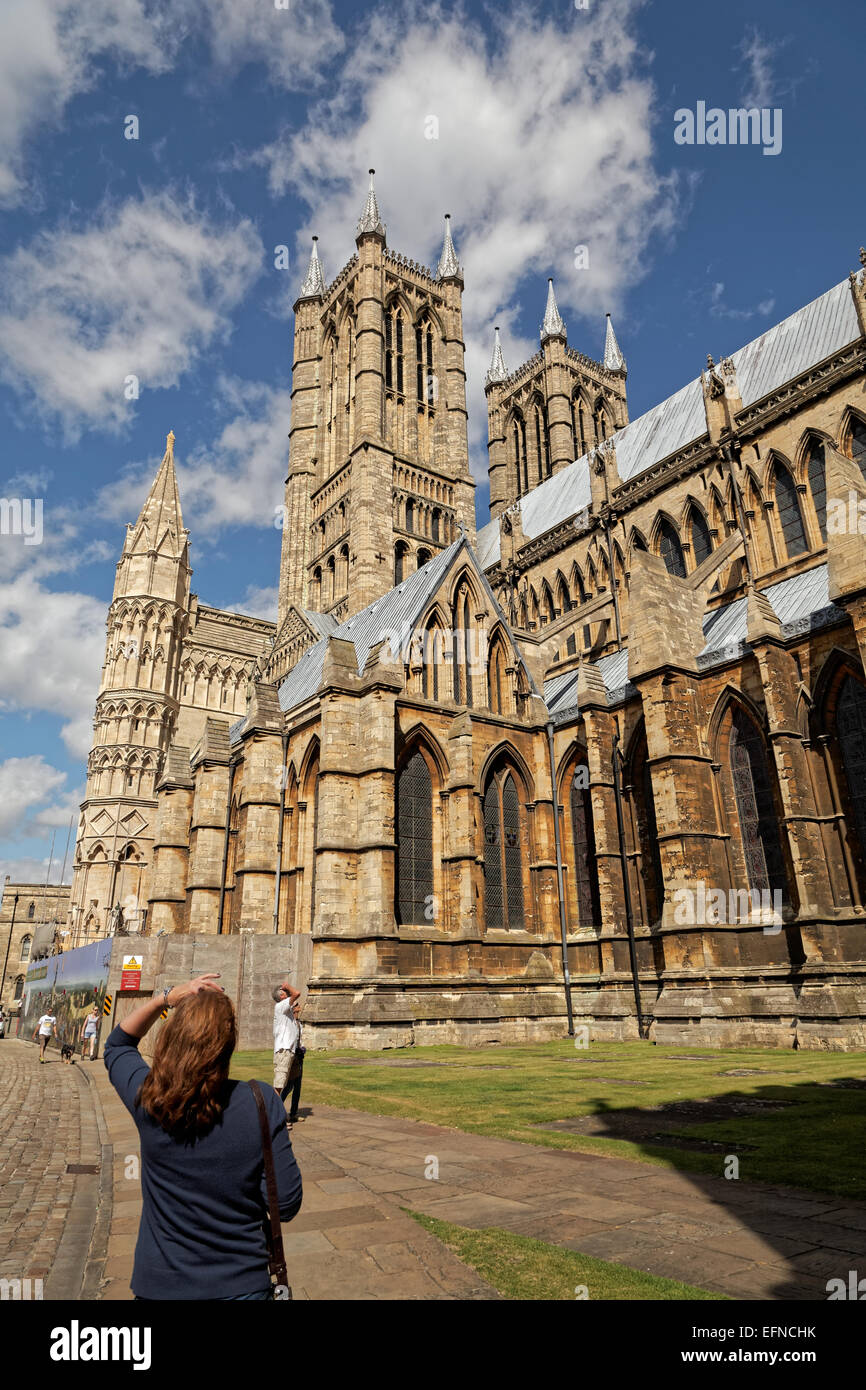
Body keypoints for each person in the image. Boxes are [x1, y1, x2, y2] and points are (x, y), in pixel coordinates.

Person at [104, 973, 302, 1301]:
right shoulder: (261, 1102)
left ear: (173, 1036)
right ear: (229, 1044)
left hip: (160, 1287)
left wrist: (164, 999)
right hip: (241, 1286)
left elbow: (118, 1045)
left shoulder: (150, 1098)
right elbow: (287, 1204)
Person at [272, 982, 304, 1128]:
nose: (288, 993)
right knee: (278, 1085)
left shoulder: (287, 1011)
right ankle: (277, 1118)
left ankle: (283, 1115)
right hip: (283, 1050)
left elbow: (296, 999)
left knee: (287, 1083)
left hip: (289, 1051)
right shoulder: (281, 1006)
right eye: (285, 992)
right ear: (282, 996)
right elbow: (296, 993)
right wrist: (287, 986)